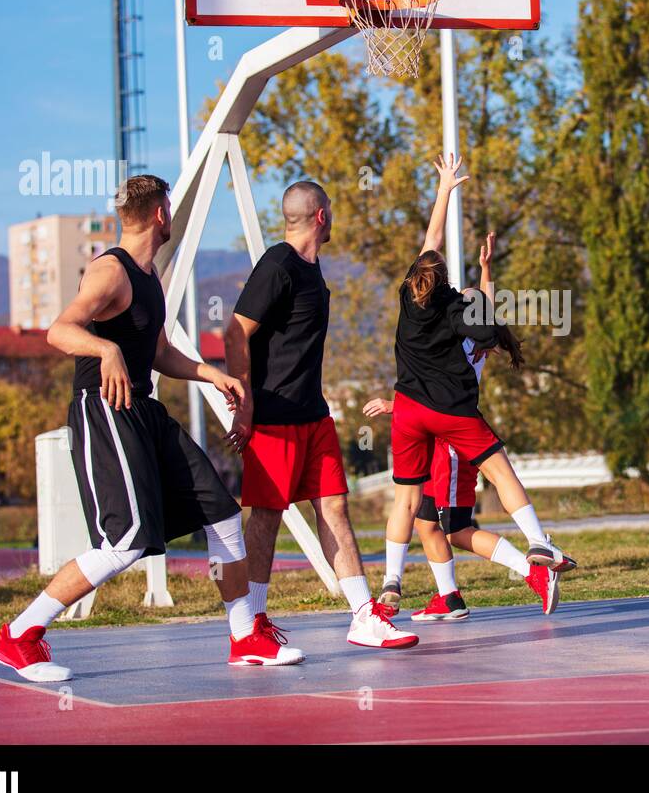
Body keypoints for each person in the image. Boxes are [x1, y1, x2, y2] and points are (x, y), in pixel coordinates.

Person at [0, 174, 300, 682]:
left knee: (220, 512)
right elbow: (60, 330)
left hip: (143, 410)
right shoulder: (110, 271)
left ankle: (246, 637)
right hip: (105, 410)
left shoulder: (149, 275)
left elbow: (157, 353)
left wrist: (209, 373)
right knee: (125, 542)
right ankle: (19, 635)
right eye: (170, 209)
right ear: (161, 214)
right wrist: (105, 348)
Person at [377, 154, 576, 623]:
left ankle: (392, 583)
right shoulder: (459, 315)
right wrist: (484, 280)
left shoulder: (411, 300)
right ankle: (537, 546)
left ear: (414, 280)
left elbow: (432, 242)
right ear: (450, 286)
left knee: (428, 517)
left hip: (414, 414)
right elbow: (483, 318)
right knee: (486, 487)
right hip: (450, 415)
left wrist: (444, 189)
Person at [224, 181, 418, 651]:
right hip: (273, 416)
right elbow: (234, 332)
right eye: (331, 210)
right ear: (321, 216)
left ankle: (362, 616)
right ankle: (251, 626)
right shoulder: (278, 263)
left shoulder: (312, 269)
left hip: (313, 414)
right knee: (267, 517)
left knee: (334, 506)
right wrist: (244, 400)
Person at [363, 327, 575, 618]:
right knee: (426, 524)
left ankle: (532, 571)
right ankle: (449, 597)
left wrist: (394, 404)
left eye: (465, 299)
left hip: (450, 441)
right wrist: (486, 279)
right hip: (430, 436)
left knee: (456, 529)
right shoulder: (466, 333)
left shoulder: (464, 338)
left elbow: (436, 393)